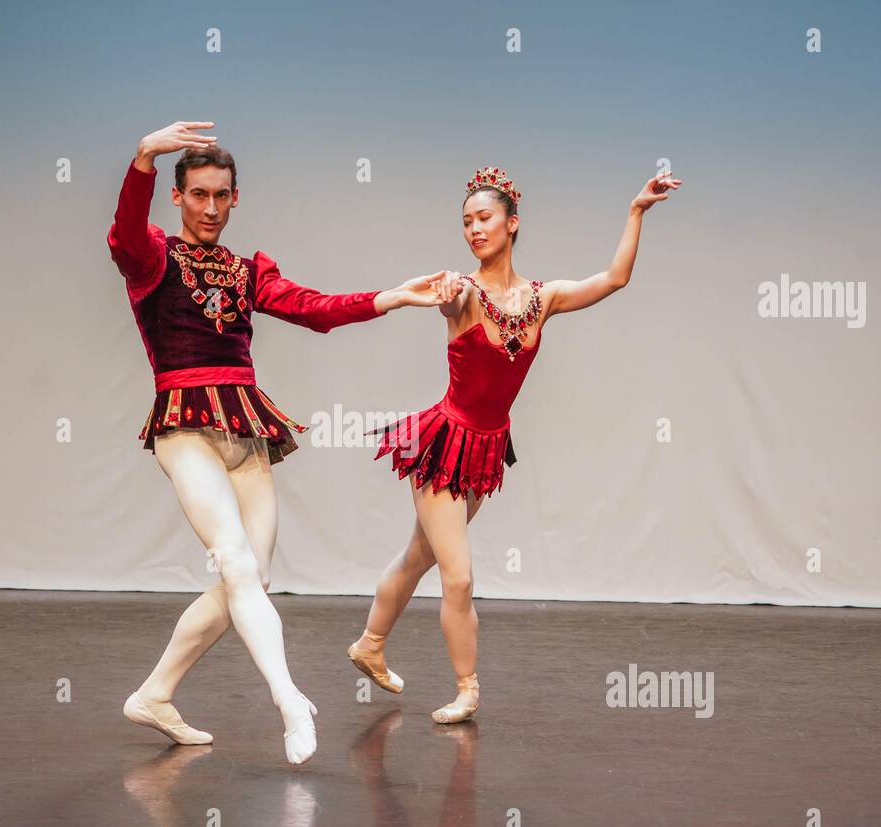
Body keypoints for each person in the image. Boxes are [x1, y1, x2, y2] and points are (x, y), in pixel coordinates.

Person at [108, 120, 444, 764]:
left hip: (246, 428)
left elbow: (313, 308)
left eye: (222, 196)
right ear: (177, 197)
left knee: (251, 579)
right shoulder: (152, 257)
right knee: (234, 563)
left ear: (236, 198)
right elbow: (123, 236)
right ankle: (291, 700)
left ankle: (154, 694)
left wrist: (392, 297)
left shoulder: (244, 270)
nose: (210, 208)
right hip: (184, 423)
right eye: (199, 195)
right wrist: (144, 159)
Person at [350, 164, 683, 724]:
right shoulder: (464, 293)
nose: (474, 229)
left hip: (485, 447)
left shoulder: (543, 297)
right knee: (458, 575)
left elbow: (614, 279)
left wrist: (636, 211)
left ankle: (370, 644)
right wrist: (447, 297)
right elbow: (451, 305)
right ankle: (467, 689)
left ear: (512, 223)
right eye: (466, 222)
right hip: (444, 443)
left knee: (420, 555)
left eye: (484, 218)